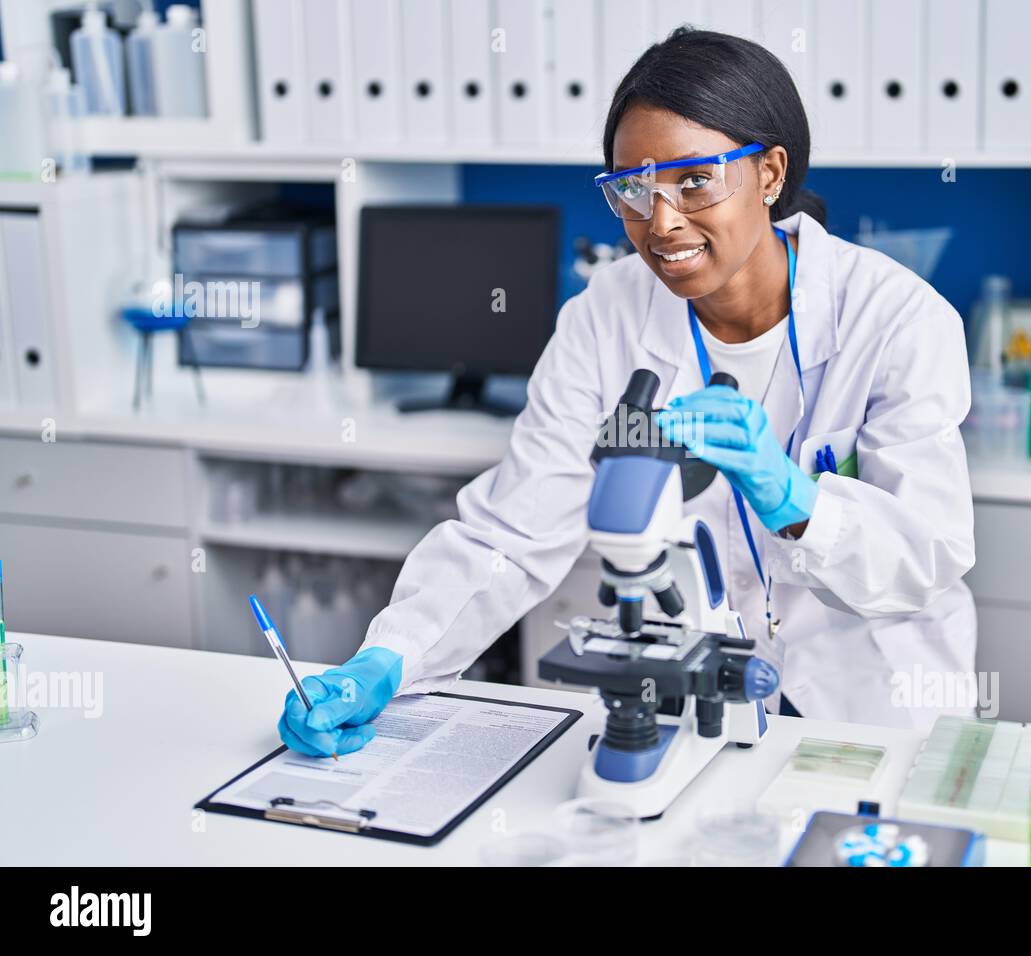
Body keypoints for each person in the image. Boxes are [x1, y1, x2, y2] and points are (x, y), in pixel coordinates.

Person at [277, 28, 977, 759]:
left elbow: (928, 554)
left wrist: (799, 501)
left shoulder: (899, 320)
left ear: (771, 173)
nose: (661, 222)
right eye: (633, 190)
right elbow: (513, 532)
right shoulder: (605, 317)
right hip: (708, 701)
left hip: (872, 705)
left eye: (695, 180)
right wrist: (390, 658)